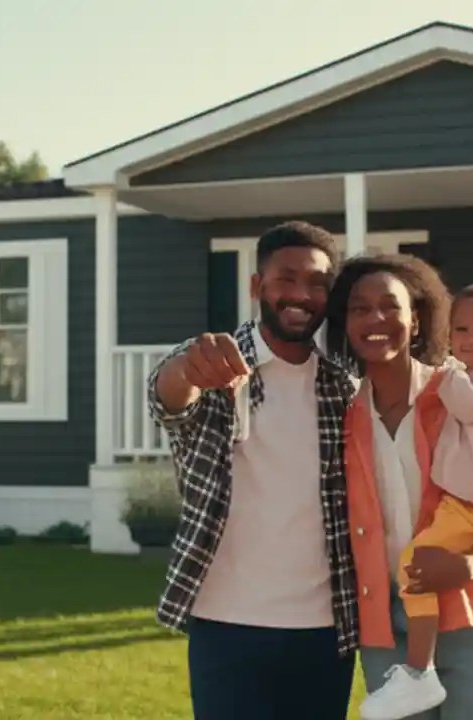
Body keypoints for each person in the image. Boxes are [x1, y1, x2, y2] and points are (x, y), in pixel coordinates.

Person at [145, 220, 360, 719]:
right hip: (227, 623)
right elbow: (170, 395)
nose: (301, 294)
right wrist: (186, 368)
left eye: (317, 283)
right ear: (256, 286)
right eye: (286, 278)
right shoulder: (216, 363)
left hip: (325, 629)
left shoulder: (344, 386)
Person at [326, 257, 473, 720]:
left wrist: (469, 566)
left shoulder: (461, 398)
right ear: (345, 322)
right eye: (359, 309)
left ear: (416, 318)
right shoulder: (339, 418)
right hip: (387, 631)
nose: (375, 319)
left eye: (390, 306)